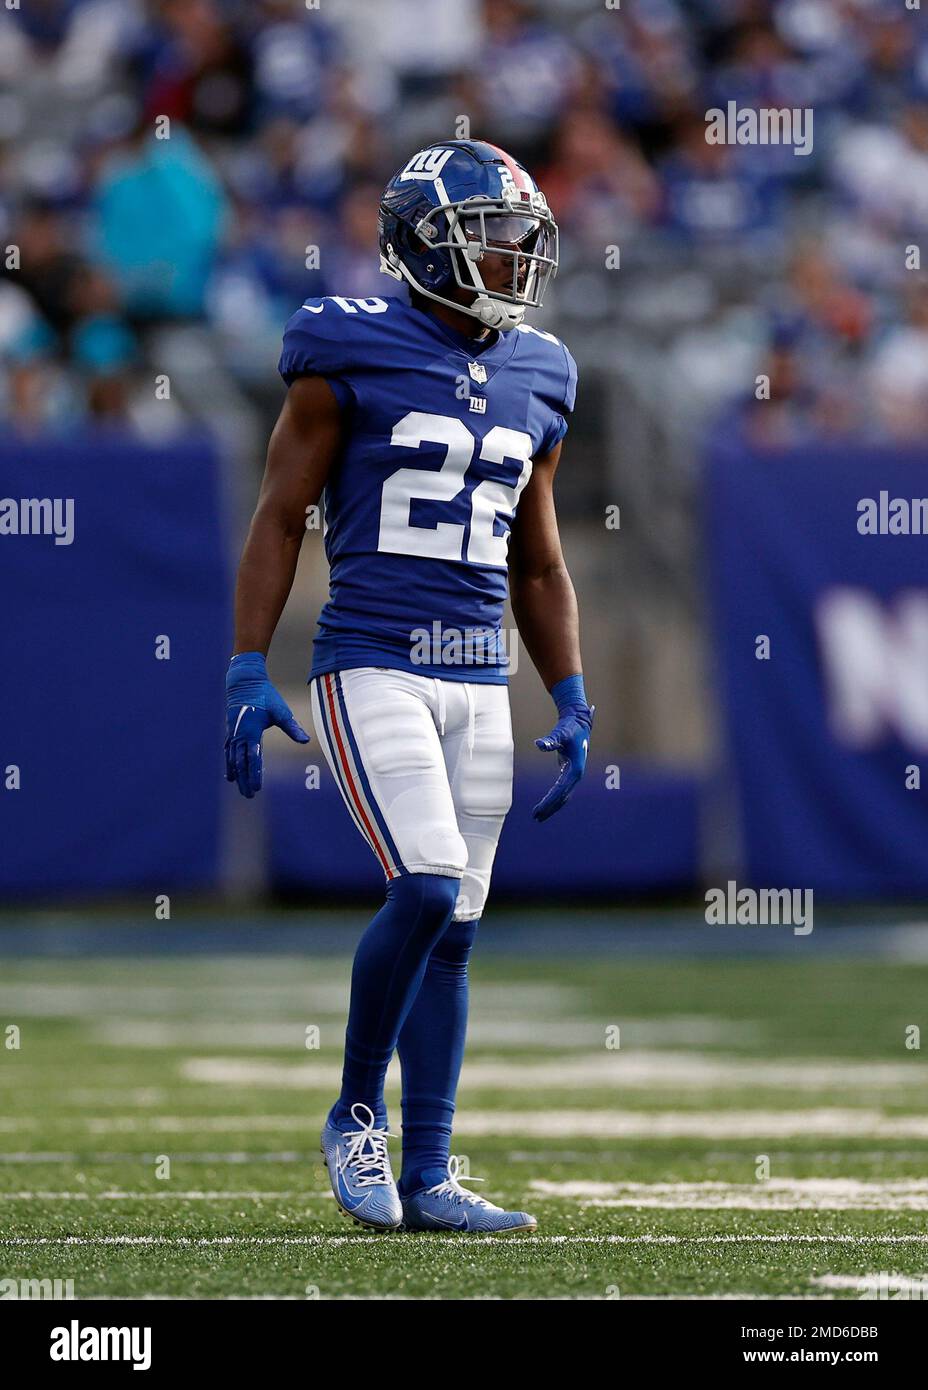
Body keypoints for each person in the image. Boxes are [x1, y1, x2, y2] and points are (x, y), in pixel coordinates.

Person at [224, 139, 593, 1233]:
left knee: (458, 929)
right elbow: (279, 516)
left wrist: (570, 692)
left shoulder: (542, 370)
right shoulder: (345, 342)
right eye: (491, 237)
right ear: (423, 244)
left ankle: (430, 1172)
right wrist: (247, 662)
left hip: (482, 678)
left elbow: (539, 562)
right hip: (372, 661)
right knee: (426, 885)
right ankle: (353, 1115)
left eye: (521, 240)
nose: (513, 259)